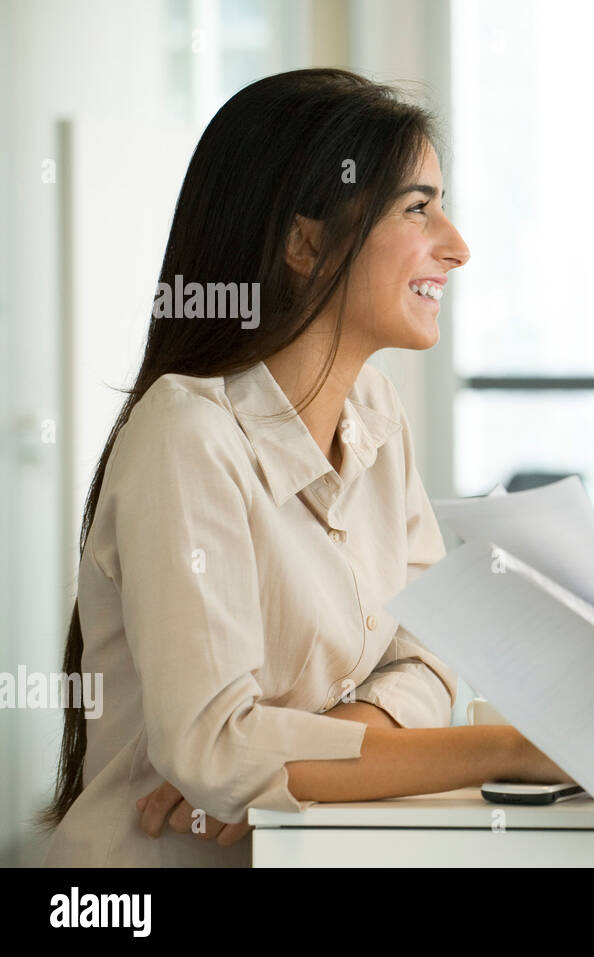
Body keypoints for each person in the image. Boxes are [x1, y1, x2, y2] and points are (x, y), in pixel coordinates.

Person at [42, 69, 566, 867]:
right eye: (418, 208)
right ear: (306, 241)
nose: (456, 245)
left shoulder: (377, 417)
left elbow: (431, 659)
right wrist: (511, 750)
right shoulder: (189, 436)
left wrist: (298, 765)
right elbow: (218, 748)